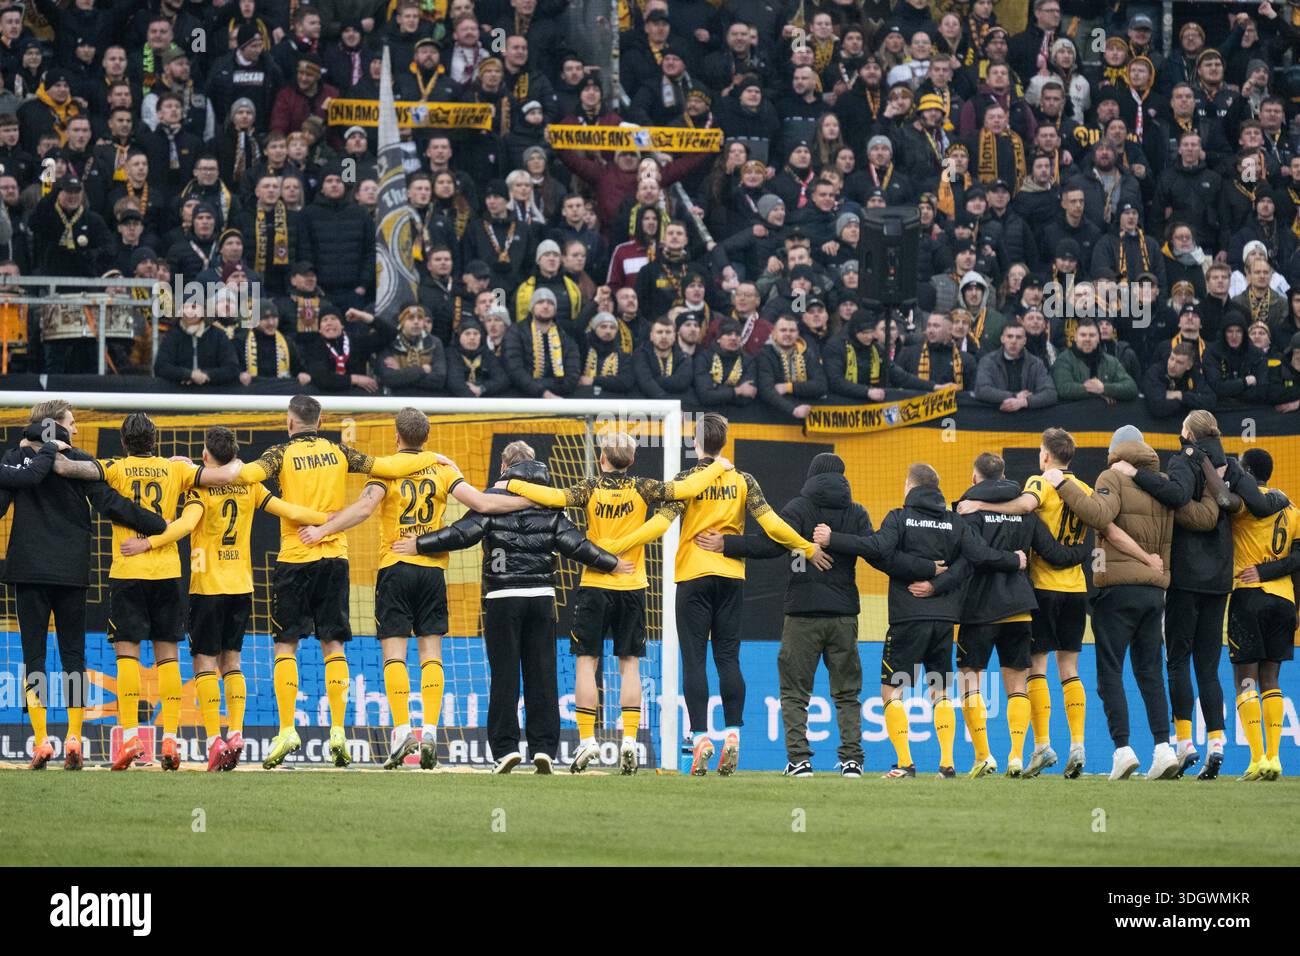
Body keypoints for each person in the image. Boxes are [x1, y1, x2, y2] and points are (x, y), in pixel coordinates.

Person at [210, 395, 446, 769]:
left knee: (286, 646)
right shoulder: (340, 452)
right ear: (320, 421)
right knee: (333, 645)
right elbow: (385, 465)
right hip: (335, 557)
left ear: (290, 422)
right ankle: (338, 732)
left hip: (295, 558)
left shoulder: (279, 454)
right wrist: (431, 458)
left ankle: (287, 729)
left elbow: (244, 475)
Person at [297, 408, 533, 768]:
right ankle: (431, 732)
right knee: (431, 655)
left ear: (396, 436)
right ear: (427, 436)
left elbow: (363, 509)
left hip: (395, 567)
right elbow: (483, 503)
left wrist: (324, 528)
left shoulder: (387, 469)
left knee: (395, 655)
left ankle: (401, 730)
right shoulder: (442, 468)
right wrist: (529, 500)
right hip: (431, 571)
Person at [603, 413, 826, 775]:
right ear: (724, 442)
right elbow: (772, 524)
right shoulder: (742, 480)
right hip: (730, 575)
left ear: (696, 442)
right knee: (727, 658)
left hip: (693, 576)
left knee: (694, 660)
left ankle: (701, 737)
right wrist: (807, 548)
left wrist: (617, 545)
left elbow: (659, 525)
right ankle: (734, 734)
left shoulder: (686, 480)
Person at [503, 432, 732, 774]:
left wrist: (513, 486)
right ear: (632, 460)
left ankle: (586, 741)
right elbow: (684, 490)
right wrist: (717, 467)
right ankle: (629, 740)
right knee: (629, 665)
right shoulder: (643, 486)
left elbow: (553, 497)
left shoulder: (590, 487)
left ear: (602, 458)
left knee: (586, 662)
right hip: (633, 584)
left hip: (595, 582)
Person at [700, 453, 937, 778]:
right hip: (844, 616)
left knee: (795, 692)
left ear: (812, 475)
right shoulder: (856, 512)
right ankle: (852, 761)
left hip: (802, 614)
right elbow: (876, 553)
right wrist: (923, 571)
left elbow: (770, 545)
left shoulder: (799, 508)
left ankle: (799, 762)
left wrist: (726, 543)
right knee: (847, 693)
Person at [408, 440, 628, 774]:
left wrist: (419, 544)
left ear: (504, 468)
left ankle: (506, 749)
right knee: (543, 676)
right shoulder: (549, 504)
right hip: (541, 599)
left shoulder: (492, 501)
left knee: (505, 677)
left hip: (501, 599)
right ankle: (543, 750)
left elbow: (461, 534)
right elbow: (576, 544)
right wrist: (612, 563)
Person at [116, 426, 327, 771]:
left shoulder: (201, 489)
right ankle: (237, 734)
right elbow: (288, 509)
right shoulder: (250, 485)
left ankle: (214, 738)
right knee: (233, 662)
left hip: (208, 589)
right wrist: (326, 520)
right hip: (241, 586)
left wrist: (148, 542)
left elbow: (185, 526)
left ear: (206, 457)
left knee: (204, 664)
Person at [813, 463, 1026, 779]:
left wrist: (833, 539)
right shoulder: (955, 522)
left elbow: (876, 548)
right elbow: (976, 558)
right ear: (937, 489)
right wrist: (1013, 560)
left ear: (910, 487)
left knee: (891, 690)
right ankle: (947, 765)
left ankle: (904, 764)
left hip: (908, 618)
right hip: (944, 621)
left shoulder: (899, 518)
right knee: (940, 690)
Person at [1046, 425, 1217, 781]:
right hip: (1156, 592)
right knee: (1151, 673)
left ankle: (1122, 750)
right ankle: (1163, 749)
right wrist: (1218, 488)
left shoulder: (1113, 476)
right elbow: (1201, 517)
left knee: (1110, 671)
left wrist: (1060, 483)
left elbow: (1098, 516)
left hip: (1118, 591)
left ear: (1115, 450)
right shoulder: (1163, 482)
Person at [0, 401, 165, 770]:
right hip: (71, 571)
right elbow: (111, 504)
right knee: (74, 657)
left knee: (34, 659)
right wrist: (157, 524)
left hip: (28, 569)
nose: (75, 430)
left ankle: (42, 741)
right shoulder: (77, 461)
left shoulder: (15, 460)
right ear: (52, 425)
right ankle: (74, 736)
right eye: (71, 424)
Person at [953, 453, 1092, 778]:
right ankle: (1016, 756)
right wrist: (1085, 549)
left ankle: (984, 756)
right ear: (1004, 477)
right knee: (1017, 683)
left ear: (975, 479)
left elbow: (969, 556)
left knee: (969, 679)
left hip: (979, 609)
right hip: (1020, 609)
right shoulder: (1028, 518)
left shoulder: (966, 513)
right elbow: (1056, 554)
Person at [1226, 448, 1299, 781]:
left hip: (1249, 595)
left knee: (1246, 679)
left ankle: (1256, 758)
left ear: (1247, 471)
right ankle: (1275, 758)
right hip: (1284, 600)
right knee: (1271, 679)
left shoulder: (1244, 506)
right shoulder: (1292, 510)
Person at [973, 320, 1058, 411]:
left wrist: (1024, 402)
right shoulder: (988, 361)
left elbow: (1050, 393)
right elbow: (981, 390)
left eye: (1018, 337)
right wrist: (1014, 396)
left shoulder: (1036, 363)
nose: (1013, 341)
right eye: (1010, 336)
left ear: (1025, 341)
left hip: (1027, 417)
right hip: (997, 416)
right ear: (1002, 339)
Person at [1052, 318, 1138, 404]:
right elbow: (1064, 388)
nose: (1087, 339)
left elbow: (1131, 387)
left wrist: (1104, 388)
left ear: (1098, 339)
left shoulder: (1111, 361)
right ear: (1075, 338)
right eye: (1083, 335)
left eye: (1092, 335)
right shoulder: (1064, 359)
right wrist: (1099, 392)